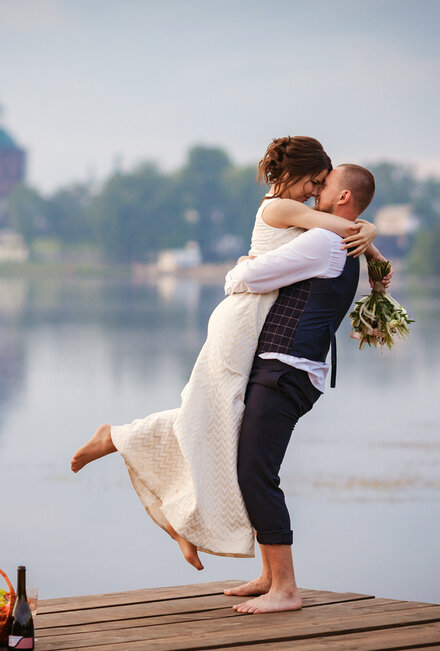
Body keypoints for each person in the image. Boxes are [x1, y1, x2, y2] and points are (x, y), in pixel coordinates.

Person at [71, 137, 383, 571]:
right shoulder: (282, 210)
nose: (316, 191)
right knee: (208, 419)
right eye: (315, 182)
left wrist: (370, 235)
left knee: (211, 422)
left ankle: (148, 477)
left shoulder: (317, 230)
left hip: (257, 326)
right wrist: (366, 231)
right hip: (241, 320)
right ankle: (155, 489)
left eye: (323, 186)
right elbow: (247, 276)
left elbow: (344, 236)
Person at [223, 163, 380, 613]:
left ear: (344, 197)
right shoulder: (340, 239)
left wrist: (241, 266)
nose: (315, 193)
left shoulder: (324, 240)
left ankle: (286, 589)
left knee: (256, 472)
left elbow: (247, 280)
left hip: (284, 370)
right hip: (291, 369)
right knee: (254, 467)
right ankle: (270, 576)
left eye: (324, 185)